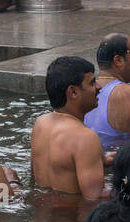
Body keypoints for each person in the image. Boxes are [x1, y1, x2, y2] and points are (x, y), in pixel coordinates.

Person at [31, 56, 107, 201]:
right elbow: (95, 197)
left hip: (43, 218)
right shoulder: (85, 137)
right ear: (73, 92)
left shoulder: (40, 123)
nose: (99, 86)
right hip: (74, 220)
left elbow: (38, 177)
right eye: (92, 83)